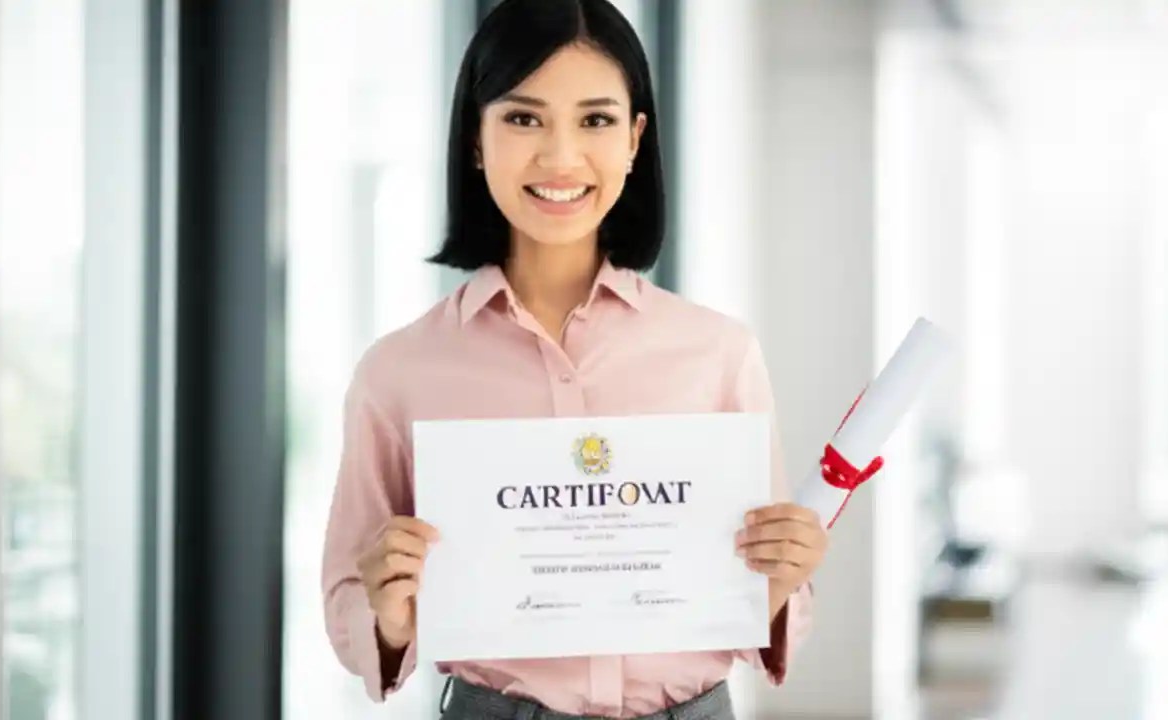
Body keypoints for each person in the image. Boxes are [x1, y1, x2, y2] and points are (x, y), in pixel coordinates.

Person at [321, 1, 829, 718]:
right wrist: (389, 615)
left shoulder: (717, 354)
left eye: (594, 120)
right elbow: (350, 601)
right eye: (523, 118)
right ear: (474, 137)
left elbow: (766, 610)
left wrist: (783, 575)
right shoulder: (398, 373)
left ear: (634, 138)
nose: (560, 157)